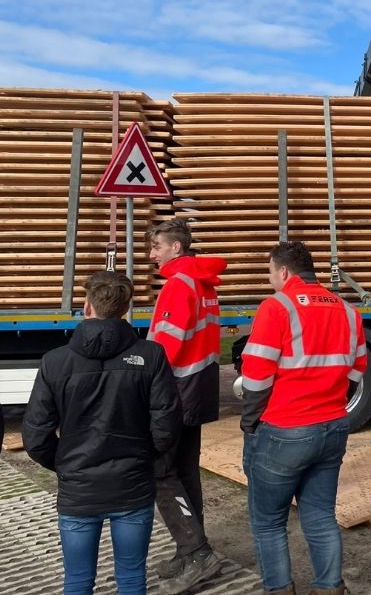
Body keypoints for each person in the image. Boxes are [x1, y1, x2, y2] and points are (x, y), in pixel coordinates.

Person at [22, 271, 182, 595]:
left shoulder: (54, 361)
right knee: (132, 579)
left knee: (78, 581)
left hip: (80, 491)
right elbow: (167, 423)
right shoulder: (151, 356)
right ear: (125, 308)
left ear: (86, 306)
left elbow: (36, 435)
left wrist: (68, 464)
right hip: (132, 486)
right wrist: (142, 458)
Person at [241, 241, 366, 595]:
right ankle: (330, 587)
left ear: (283, 272)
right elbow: (357, 372)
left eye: (270, 272)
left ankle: (279, 588)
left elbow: (256, 378)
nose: (270, 279)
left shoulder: (276, 307)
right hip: (333, 426)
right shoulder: (347, 310)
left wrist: (250, 421)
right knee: (321, 515)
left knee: (268, 523)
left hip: (285, 428)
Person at [146, 218, 227, 593]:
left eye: (157, 247)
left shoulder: (179, 284)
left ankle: (197, 551)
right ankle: (189, 548)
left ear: (176, 248)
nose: (152, 255)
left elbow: (166, 343)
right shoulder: (203, 283)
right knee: (184, 469)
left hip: (176, 388)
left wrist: (144, 384)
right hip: (200, 384)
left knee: (161, 471)